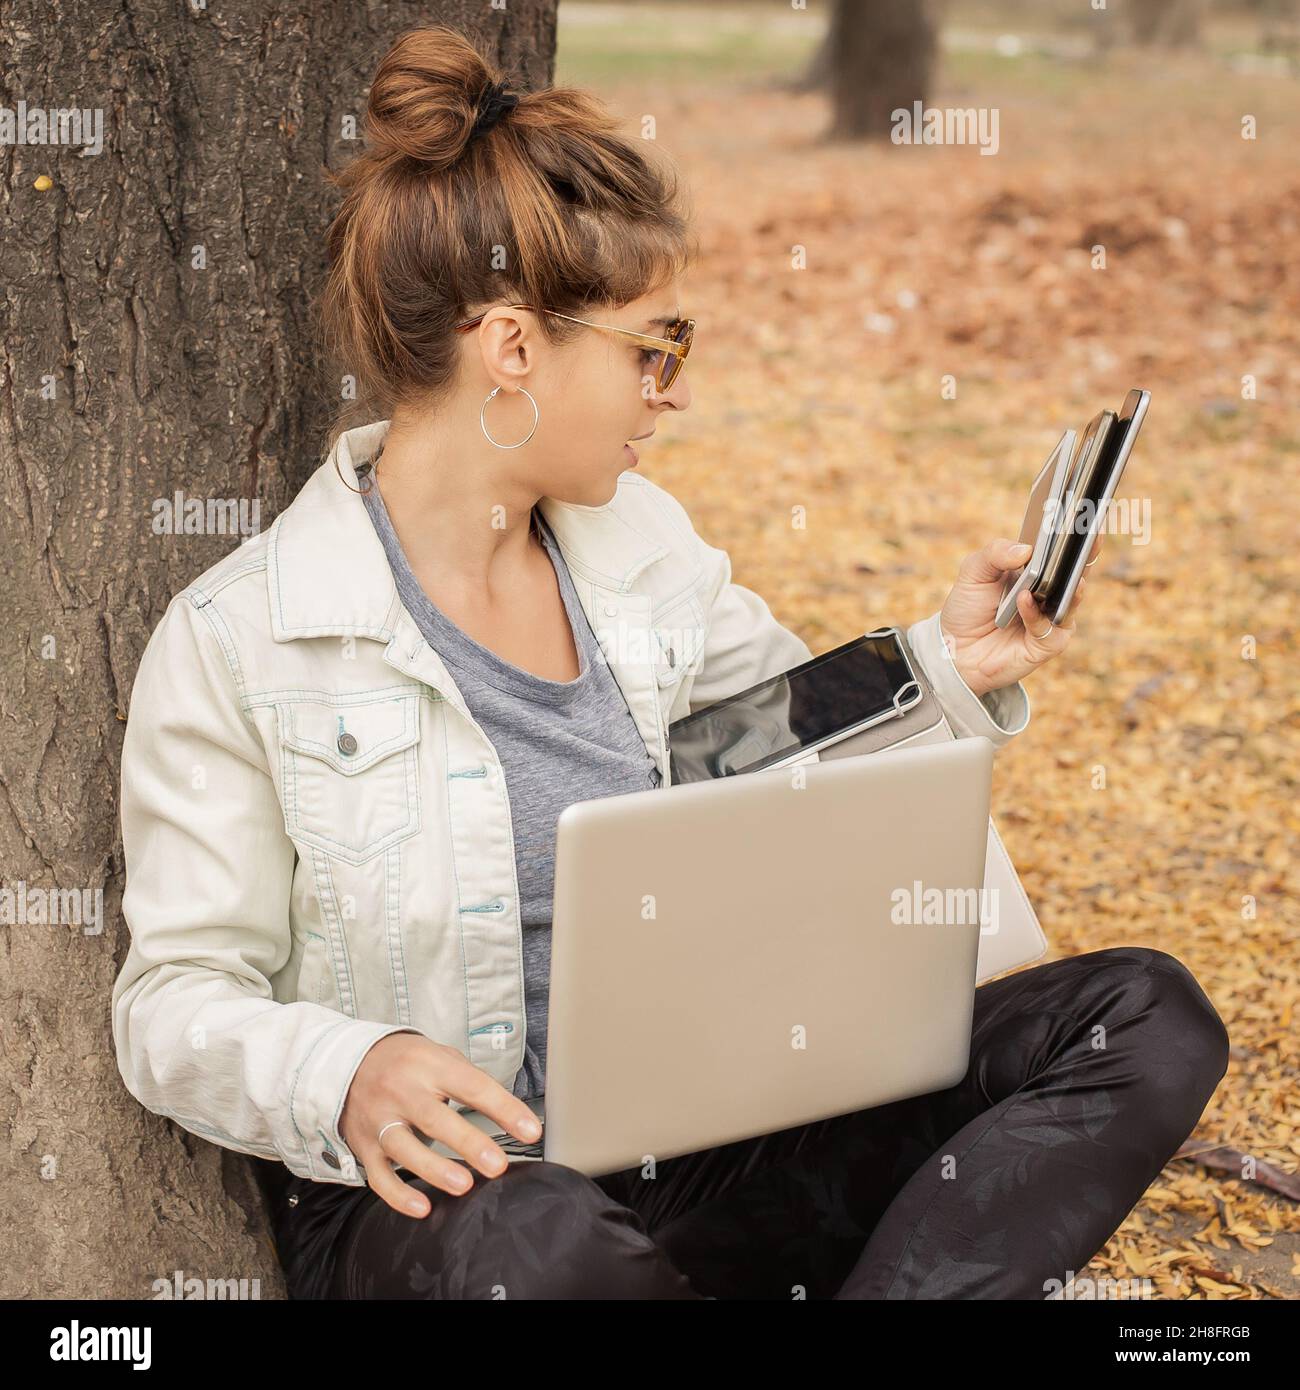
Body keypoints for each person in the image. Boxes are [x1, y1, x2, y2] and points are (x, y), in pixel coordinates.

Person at [110, 24, 1229, 1300]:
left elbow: (766, 742)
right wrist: (346, 1073)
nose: (672, 391)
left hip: (699, 1144)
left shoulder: (637, 548)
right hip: (453, 1208)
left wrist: (946, 666)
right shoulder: (244, 636)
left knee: (1142, 1016)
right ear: (514, 350)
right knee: (543, 1246)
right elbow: (174, 1000)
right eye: (656, 346)